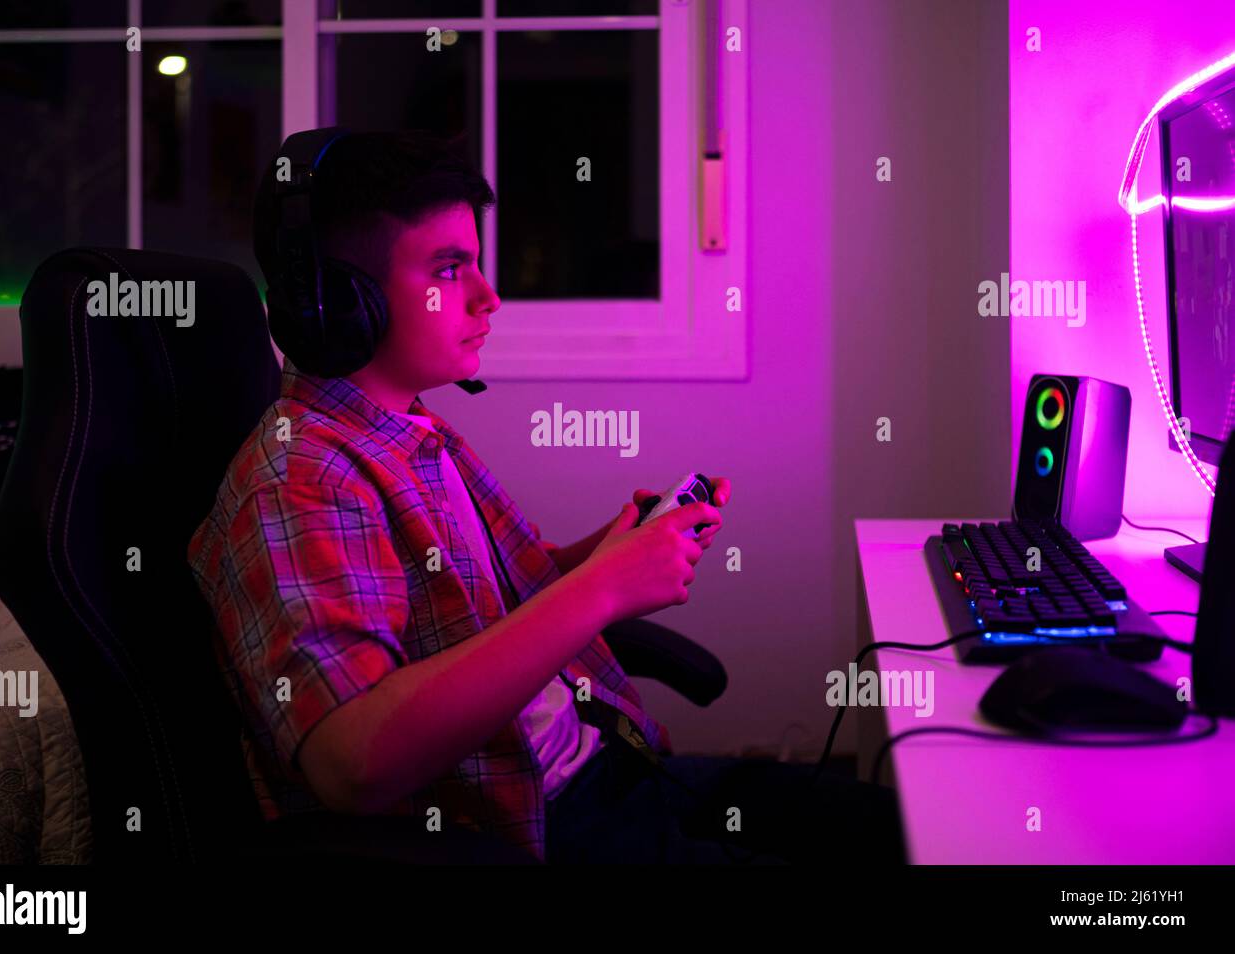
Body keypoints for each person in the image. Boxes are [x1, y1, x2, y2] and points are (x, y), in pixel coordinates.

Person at [187, 129, 904, 864]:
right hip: (534, 830)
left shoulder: (412, 432)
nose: (487, 296)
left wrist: (607, 554)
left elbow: (484, 617)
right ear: (339, 302)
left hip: (614, 779)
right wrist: (600, 591)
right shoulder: (301, 482)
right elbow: (355, 761)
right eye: (449, 268)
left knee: (900, 829)